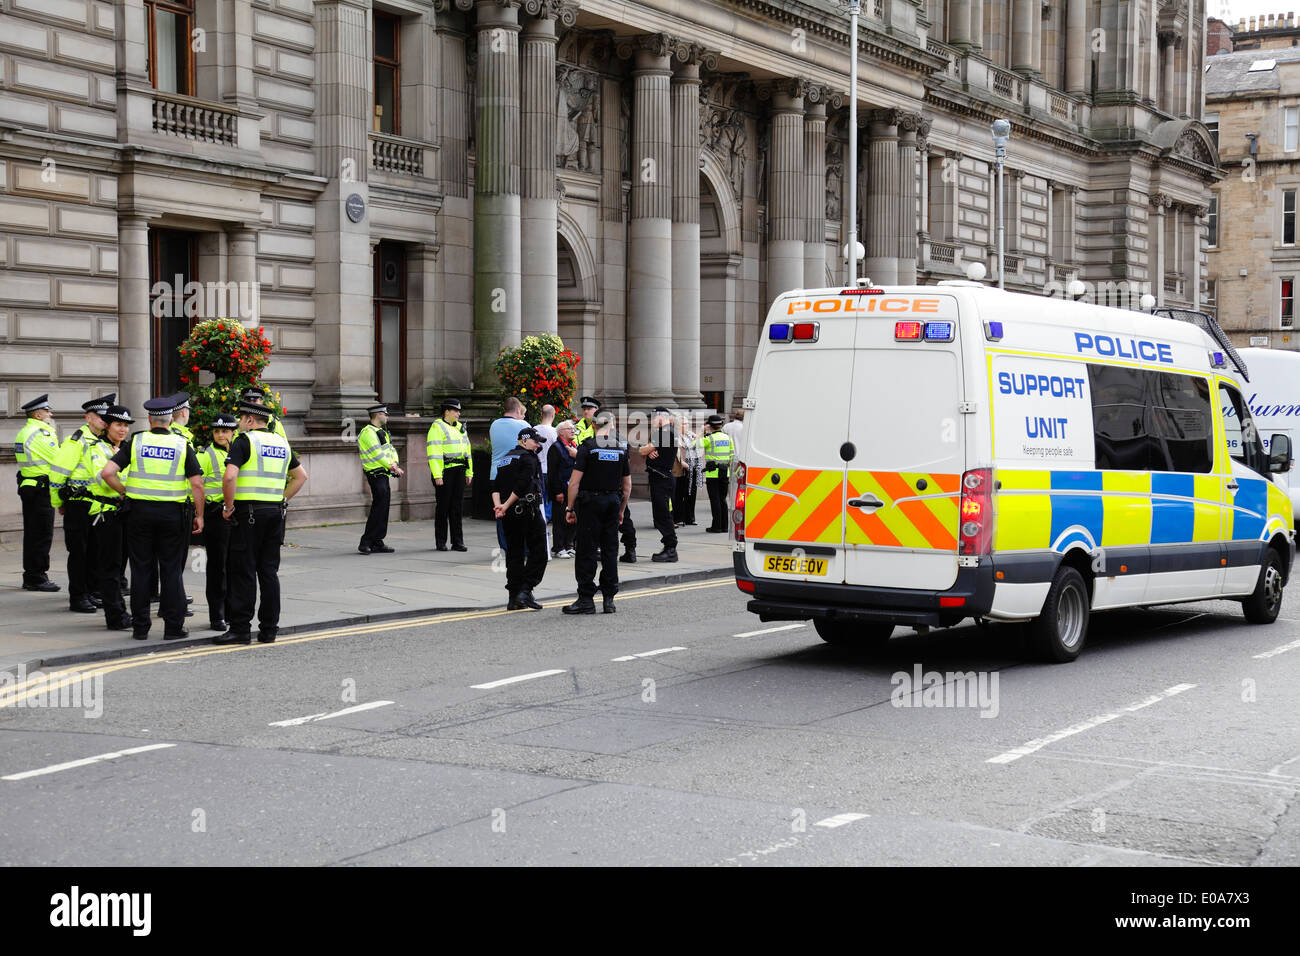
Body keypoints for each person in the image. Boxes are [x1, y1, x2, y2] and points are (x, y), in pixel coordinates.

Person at [100, 396, 204, 640]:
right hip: (172, 516)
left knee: (141, 570)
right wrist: (200, 515)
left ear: (149, 419)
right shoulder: (181, 444)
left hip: (139, 515)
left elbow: (107, 473)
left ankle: (140, 627)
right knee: (171, 571)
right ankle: (173, 627)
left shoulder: (136, 442)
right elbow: (197, 485)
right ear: (170, 420)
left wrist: (125, 492)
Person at [213, 401, 308, 645]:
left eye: (241, 419)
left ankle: (240, 629)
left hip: (248, 514)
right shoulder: (281, 443)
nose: (239, 423)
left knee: (243, 570)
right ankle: (269, 629)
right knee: (268, 571)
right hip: (275, 513)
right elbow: (301, 477)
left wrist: (228, 506)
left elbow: (230, 476)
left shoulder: (244, 441)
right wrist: (281, 499)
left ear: (250, 420)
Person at [49, 393, 115, 612]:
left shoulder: (102, 443)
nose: (104, 421)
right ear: (88, 418)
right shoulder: (77, 440)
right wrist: (58, 502)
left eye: (106, 417)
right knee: (79, 552)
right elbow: (58, 475)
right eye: (100, 417)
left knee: (95, 552)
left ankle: (90, 591)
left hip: (97, 506)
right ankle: (77, 597)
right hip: (78, 504)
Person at [562, 412, 631, 614]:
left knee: (586, 550)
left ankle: (586, 599)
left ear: (593, 425)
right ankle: (609, 599)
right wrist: (621, 510)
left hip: (590, 503)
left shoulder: (588, 447)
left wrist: (570, 508)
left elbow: (574, 483)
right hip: (612, 502)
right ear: (611, 426)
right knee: (610, 550)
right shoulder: (620, 448)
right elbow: (627, 486)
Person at [84, 405, 133, 631]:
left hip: (124, 512)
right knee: (110, 567)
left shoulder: (125, 449)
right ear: (107, 426)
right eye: (118, 425)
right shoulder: (97, 448)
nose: (123, 430)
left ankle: (121, 611)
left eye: (125, 425)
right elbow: (103, 477)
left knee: (121, 567)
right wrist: (125, 490)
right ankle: (116, 616)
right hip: (106, 512)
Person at [493, 427, 547, 611]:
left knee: (514, 554)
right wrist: (505, 505)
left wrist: (499, 507)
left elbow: (495, 485)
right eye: (535, 441)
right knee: (539, 551)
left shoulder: (505, 458)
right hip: (527, 510)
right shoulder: (528, 457)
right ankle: (525, 590)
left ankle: (513, 597)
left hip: (508, 514)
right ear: (524, 440)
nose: (538, 445)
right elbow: (522, 484)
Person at [13, 394, 61, 592]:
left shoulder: (24, 432)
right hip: (41, 489)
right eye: (47, 411)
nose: (50, 414)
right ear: (38, 414)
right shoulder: (43, 432)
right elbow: (58, 459)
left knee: (33, 534)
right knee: (42, 534)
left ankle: (32, 574)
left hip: (29, 486)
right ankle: (37, 577)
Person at [197, 414, 237, 631]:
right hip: (215, 515)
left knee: (235, 565)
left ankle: (232, 611)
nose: (221, 435)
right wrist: (199, 514)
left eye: (225, 431)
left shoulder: (239, 452)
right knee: (217, 566)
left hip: (235, 515)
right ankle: (217, 615)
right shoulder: (205, 454)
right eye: (217, 431)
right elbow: (196, 487)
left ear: (233, 432)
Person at [356, 403, 404, 555]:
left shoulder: (381, 431)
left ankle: (377, 541)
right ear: (378, 415)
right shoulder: (368, 432)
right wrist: (393, 467)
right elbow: (377, 454)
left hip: (383, 473)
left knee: (383, 507)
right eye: (385, 414)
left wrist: (395, 462)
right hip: (375, 473)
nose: (387, 416)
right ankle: (366, 542)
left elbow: (391, 449)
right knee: (379, 507)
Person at [426, 398, 473, 552]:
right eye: (456, 410)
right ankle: (441, 541)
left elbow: (468, 452)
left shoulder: (461, 428)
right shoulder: (437, 427)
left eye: (459, 411)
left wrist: (469, 471)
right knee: (443, 508)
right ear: (446, 412)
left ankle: (457, 541)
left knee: (457, 507)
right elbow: (434, 453)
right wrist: (437, 475)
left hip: (459, 470)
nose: (459, 413)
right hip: (445, 471)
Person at [489, 397, 531, 550]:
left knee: (500, 510)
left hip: (495, 474)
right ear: (518, 410)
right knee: (520, 511)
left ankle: (505, 547)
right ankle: (522, 547)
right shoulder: (523, 425)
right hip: (514, 474)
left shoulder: (494, 425)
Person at [637, 406, 678, 562]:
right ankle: (669, 547)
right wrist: (649, 450)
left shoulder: (665, 432)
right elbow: (646, 451)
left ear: (661, 417)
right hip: (659, 477)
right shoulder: (663, 433)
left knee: (663, 515)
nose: (651, 421)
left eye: (653, 418)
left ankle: (671, 549)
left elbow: (642, 451)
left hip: (662, 478)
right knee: (660, 514)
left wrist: (646, 449)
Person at [548, 420, 578, 558]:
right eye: (569, 428)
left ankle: (569, 545)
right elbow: (552, 473)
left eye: (573, 428)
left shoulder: (574, 446)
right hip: (561, 489)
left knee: (572, 518)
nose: (573, 430)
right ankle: (559, 547)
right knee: (560, 519)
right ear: (561, 432)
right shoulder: (556, 448)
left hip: (573, 488)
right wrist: (557, 491)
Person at [700, 413, 736, 532]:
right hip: (725, 472)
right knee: (722, 499)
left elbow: (694, 444)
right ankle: (725, 526)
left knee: (715, 499)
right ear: (721, 425)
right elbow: (732, 456)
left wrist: (702, 431)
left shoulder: (709, 438)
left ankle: (716, 526)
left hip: (713, 473)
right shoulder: (728, 438)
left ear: (709, 426)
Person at [673, 413, 703, 528]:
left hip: (694, 466)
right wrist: (683, 463)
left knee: (692, 493)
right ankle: (679, 517)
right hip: (682, 467)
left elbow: (699, 444)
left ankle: (690, 517)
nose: (687, 425)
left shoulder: (691, 435)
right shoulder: (676, 436)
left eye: (687, 423)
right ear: (678, 425)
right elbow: (677, 451)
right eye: (684, 423)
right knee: (680, 493)